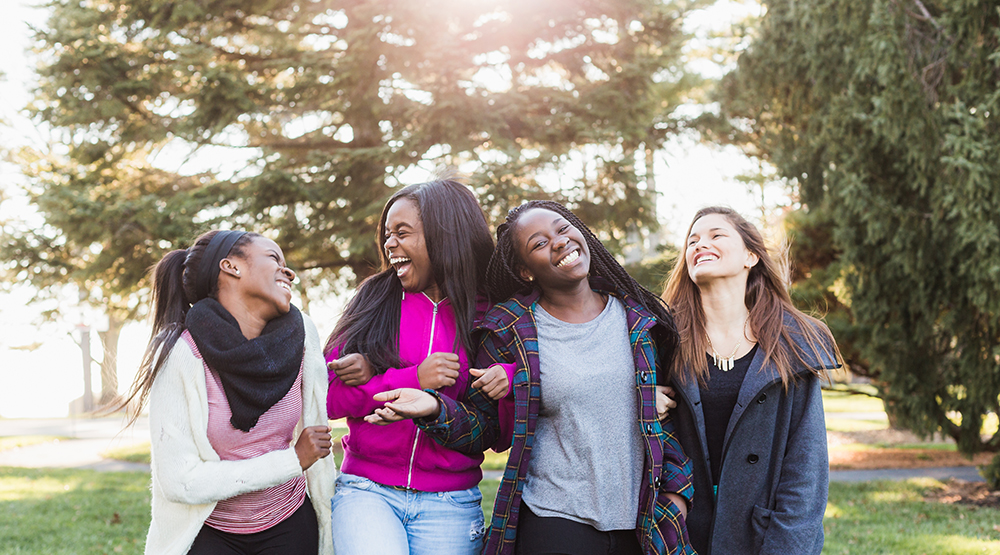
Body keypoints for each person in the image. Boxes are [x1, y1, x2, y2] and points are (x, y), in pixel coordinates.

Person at [366, 200, 696, 555]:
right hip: (555, 523)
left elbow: (670, 420)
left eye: (562, 228)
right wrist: (434, 408)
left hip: (640, 522)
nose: (558, 241)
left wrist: (677, 494)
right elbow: (486, 430)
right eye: (539, 243)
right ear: (526, 272)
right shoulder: (508, 331)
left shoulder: (638, 319)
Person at [324, 178, 509, 555]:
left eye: (402, 232)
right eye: (387, 233)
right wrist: (414, 378)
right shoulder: (374, 299)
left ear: (445, 235)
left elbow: (496, 433)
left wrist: (511, 380)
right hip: (367, 491)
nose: (390, 243)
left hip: (451, 501)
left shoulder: (490, 314)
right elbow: (328, 398)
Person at [123, 229, 335, 555]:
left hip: (289, 521)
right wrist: (291, 460)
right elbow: (180, 480)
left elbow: (319, 419)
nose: (288, 271)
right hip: (213, 532)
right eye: (273, 258)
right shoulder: (183, 355)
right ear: (231, 267)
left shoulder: (301, 333)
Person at [661, 206, 840, 555]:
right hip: (679, 534)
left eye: (716, 235)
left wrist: (787, 545)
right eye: (692, 240)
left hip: (762, 536)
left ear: (751, 255)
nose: (700, 244)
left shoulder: (790, 342)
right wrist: (641, 397)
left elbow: (806, 466)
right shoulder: (663, 340)